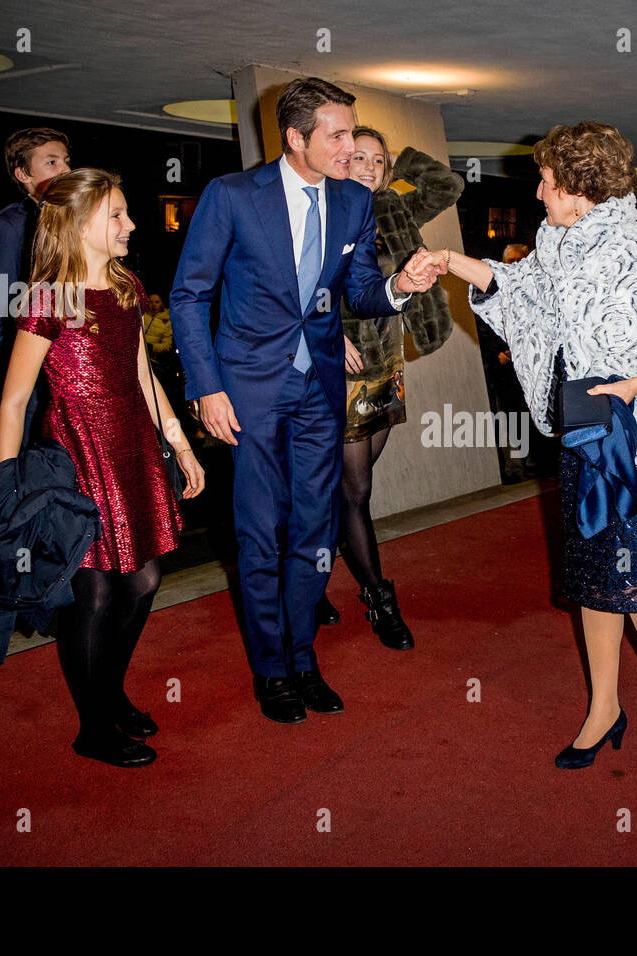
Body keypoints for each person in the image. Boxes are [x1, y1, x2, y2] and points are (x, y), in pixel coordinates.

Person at [427, 121, 637, 779]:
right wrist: (448, 262)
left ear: (581, 187)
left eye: (548, 181)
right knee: (593, 584)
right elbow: (518, 295)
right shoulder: (556, 243)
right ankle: (604, 707)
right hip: (583, 439)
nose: (538, 192)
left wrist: (636, 383)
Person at [171, 77, 436, 725]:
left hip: (319, 391)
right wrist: (206, 385)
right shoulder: (232, 195)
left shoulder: (352, 203)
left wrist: (400, 284)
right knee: (261, 534)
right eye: (338, 135)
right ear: (296, 139)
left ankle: (302, 655)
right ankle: (271, 669)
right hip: (249, 393)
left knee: (315, 533)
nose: (351, 148)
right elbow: (189, 295)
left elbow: (362, 292)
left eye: (353, 133)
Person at [0, 168, 205, 767]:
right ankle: (92, 726)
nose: (131, 224)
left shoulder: (126, 287)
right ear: (76, 224)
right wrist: (10, 491)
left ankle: (108, 692)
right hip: (77, 457)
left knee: (143, 580)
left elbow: (142, 374)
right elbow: (13, 400)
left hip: (132, 447)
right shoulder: (49, 297)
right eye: (116, 215)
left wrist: (180, 444)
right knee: (92, 595)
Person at [323, 127, 464, 648]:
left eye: (376, 160)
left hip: (386, 367)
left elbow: (447, 186)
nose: (366, 166)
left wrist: (400, 161)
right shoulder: (325, 211)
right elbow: (298, 287)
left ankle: (310, 569)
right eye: (356, 157)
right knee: (356, 490)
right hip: (343, 370)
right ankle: (380, 599)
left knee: (343, 487)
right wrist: (329, 334)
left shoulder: (393, 210)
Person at [0, 128, 71, 442]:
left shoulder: (63, 219)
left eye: (66, 161)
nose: (65, 170)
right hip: (22, 377)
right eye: (51, 162)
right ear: (23, 173)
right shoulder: (9, 225)